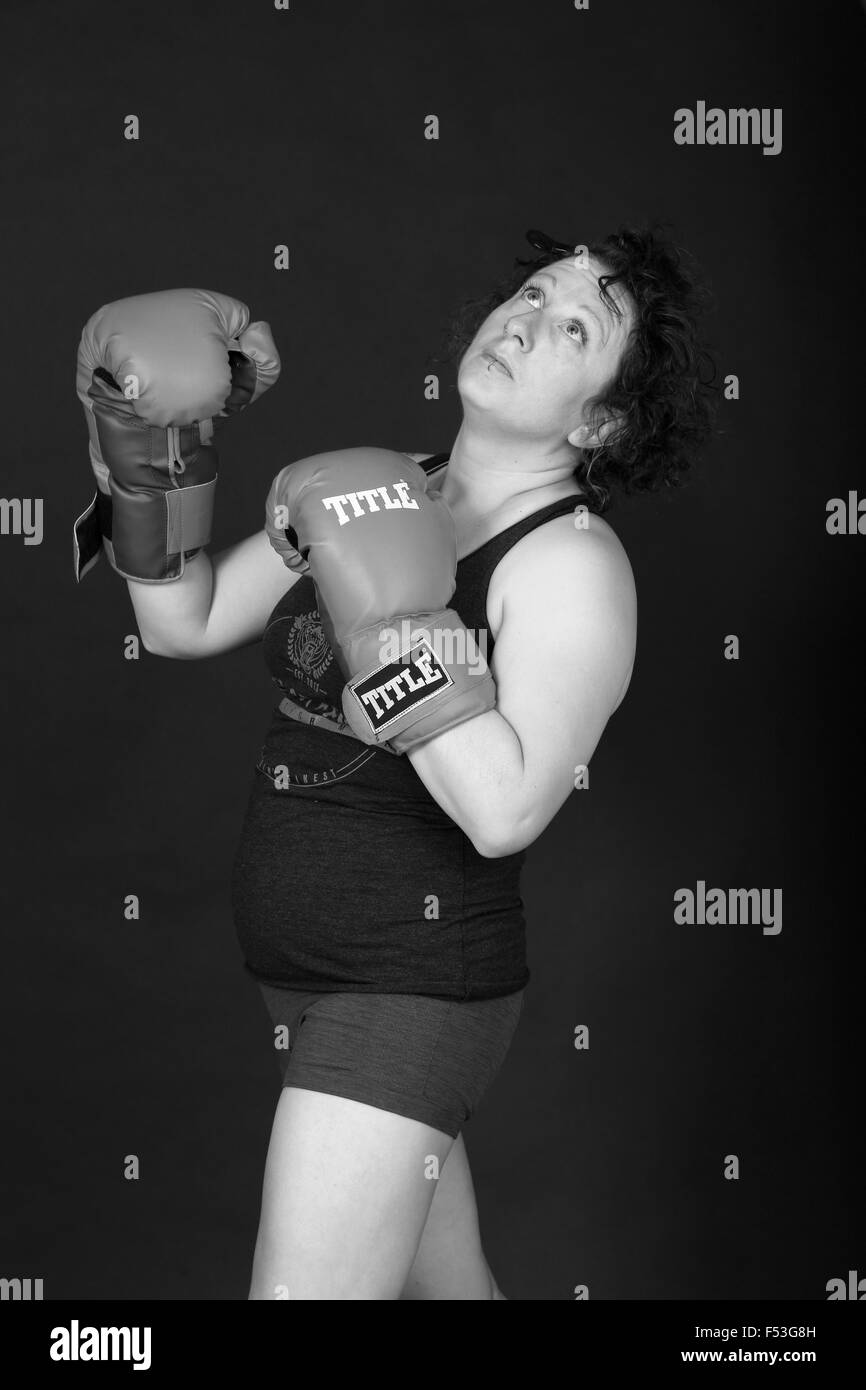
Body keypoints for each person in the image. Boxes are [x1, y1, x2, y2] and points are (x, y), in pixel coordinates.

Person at [73, 227, 715, 1300]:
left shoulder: (567, 563)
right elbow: (181, 623)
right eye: (530, 290)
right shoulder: (371, 486)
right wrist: (147, 447)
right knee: (450, 1292)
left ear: (599, 418)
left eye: (571, 326)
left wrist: (398, 624)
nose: (521, 317)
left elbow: (504, 810)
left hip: (406, 983)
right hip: (302, 976)